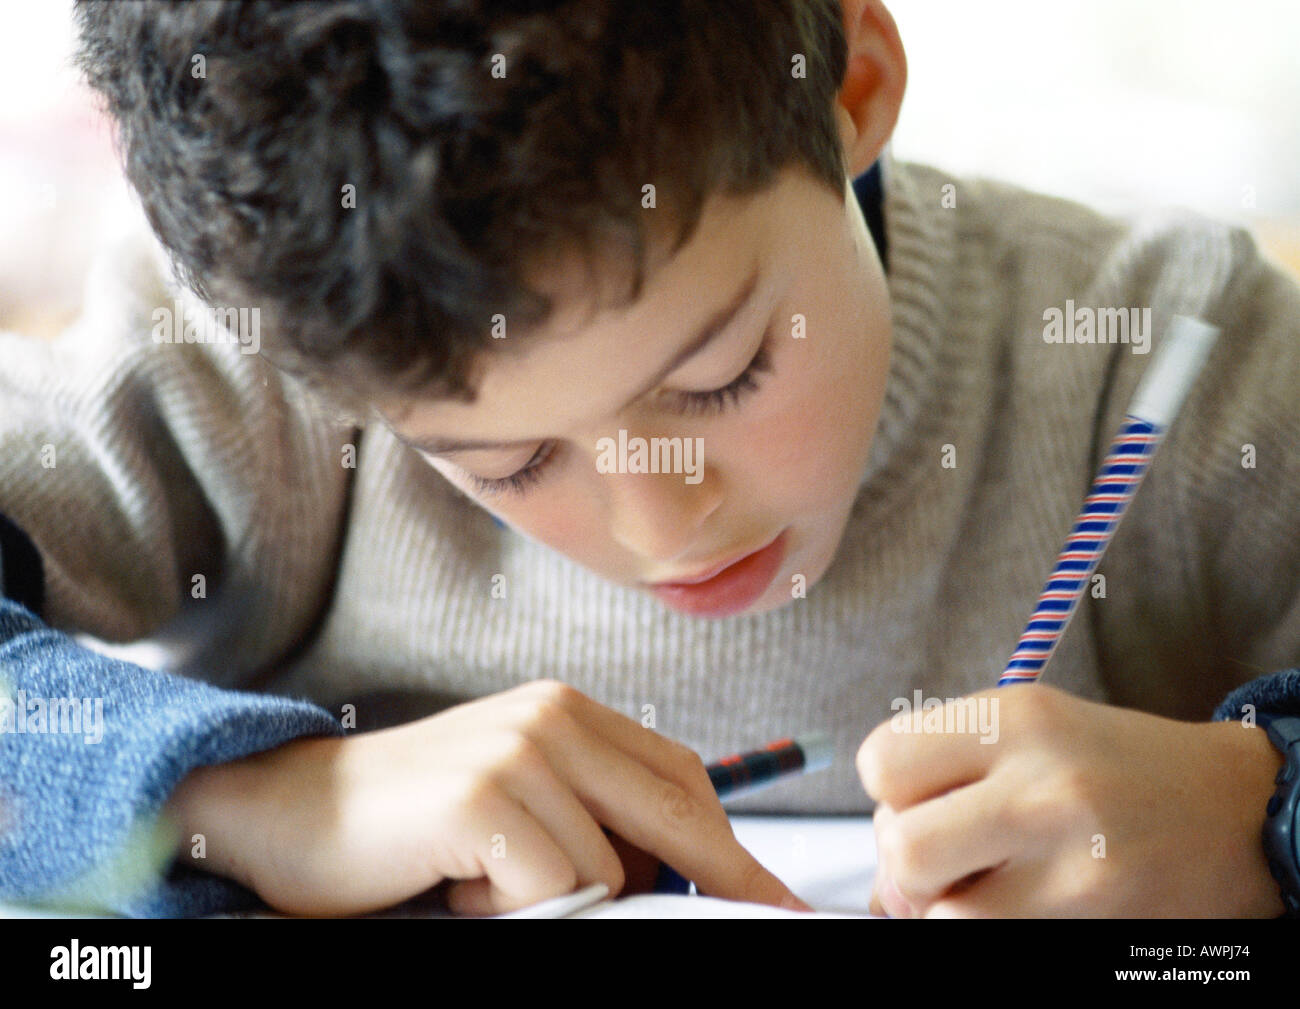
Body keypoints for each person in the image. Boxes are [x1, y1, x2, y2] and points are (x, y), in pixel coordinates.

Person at [1, 0, 1297, 918]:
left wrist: (1261, 812)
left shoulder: (1177, 355)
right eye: (502, 461)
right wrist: (259, 798)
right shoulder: (255, 352)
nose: (665, 524)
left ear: (852, 89)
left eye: (720, 374)